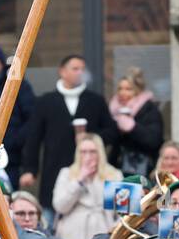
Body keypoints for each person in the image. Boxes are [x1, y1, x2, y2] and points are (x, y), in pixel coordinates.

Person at [20, 54, 117, 209]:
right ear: (62, 71)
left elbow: (112, 132)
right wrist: (30, 169)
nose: (80, 72)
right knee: (52, 214)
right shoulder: (46, 101)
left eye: (82, 69)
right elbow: (33, 138)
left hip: (90, 173)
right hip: (54, 169)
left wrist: (92, 138)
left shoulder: (95, 101)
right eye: (75, 68)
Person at [50, 132, 122, 239]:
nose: (88, 156)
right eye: (83, 152)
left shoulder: (113, 175)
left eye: (92, 151)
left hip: (102, 232)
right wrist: (79, 181)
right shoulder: (67, 173)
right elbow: (60, 206)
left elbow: (122, 214)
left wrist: (113, 232)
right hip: (73, 234)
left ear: (100, 153)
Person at [0, 46, 36, 174]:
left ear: (1, 62)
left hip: (12, 158)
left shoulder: (16, 85)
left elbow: (31, 117)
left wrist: (16, 141)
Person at [108, 67, 164, 178]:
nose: (123, 93)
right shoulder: (113, 110)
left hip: (143, 169)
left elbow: (154, 140)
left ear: (137, 91)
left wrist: (133, 127)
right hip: (117, 168)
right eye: (120, 88)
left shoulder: (149, 109)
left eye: (128, 89)